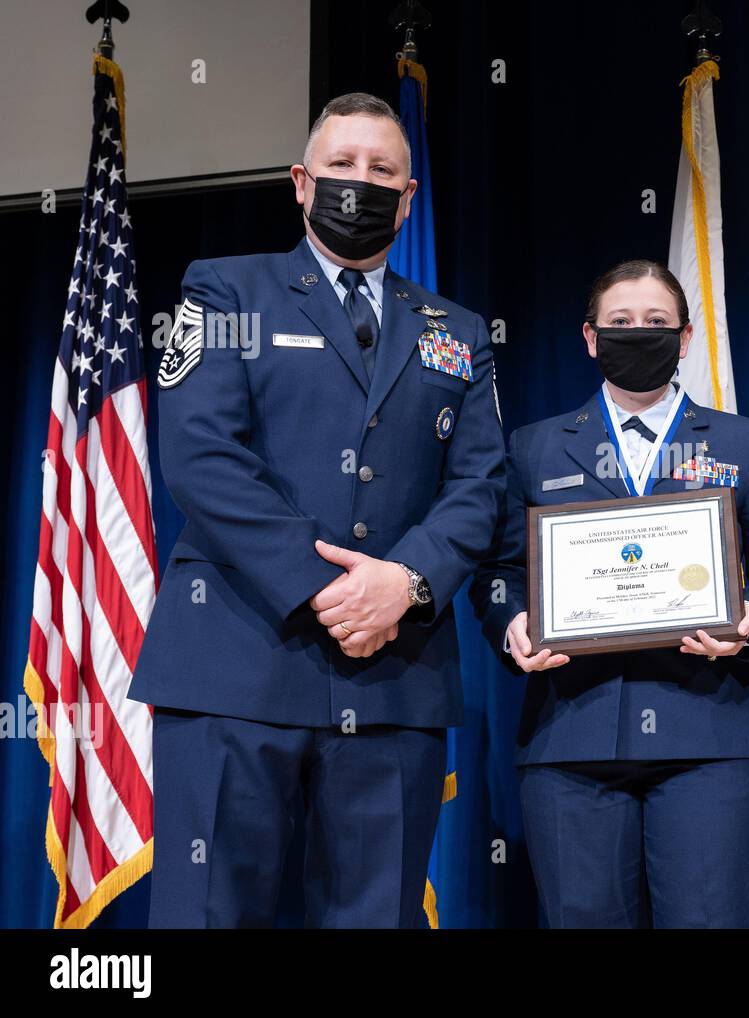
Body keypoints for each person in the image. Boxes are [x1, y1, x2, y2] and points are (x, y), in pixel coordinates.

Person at [130, 93, 505, 927]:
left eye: (382, 170)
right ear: (302, 183)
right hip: (237, 661)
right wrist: (328, 587)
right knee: (208, 914)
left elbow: (481, 485)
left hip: (393, 676)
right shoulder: (225, 290)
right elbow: (201, 455)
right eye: (341, 164)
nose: (359, 182)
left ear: (408, 198)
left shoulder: (458, 330)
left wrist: (405, 583)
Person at [470, 260, 749, 928]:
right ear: (590, 337)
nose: (638, 332)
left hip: (710, 734)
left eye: (655, 321)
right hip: (571, 737)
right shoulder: (535, 448)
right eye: (620, 321)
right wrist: (511, 623)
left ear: (685, 338)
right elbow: (497, 570)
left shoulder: (741, 442)